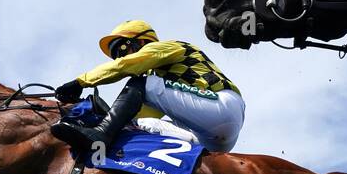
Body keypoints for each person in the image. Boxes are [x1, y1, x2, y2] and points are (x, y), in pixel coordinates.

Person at [52, 19, 245, 154]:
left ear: (143, 41)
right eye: (116, 54)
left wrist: (80, 82)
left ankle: (100, 136)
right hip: (211, 141)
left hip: (224, 107)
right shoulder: (159, 86)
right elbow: (136, 115)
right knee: (137, 125)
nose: (120, 56)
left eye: (122, 48)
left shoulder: (165, 48)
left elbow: (125, 66)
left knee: (140, 83)